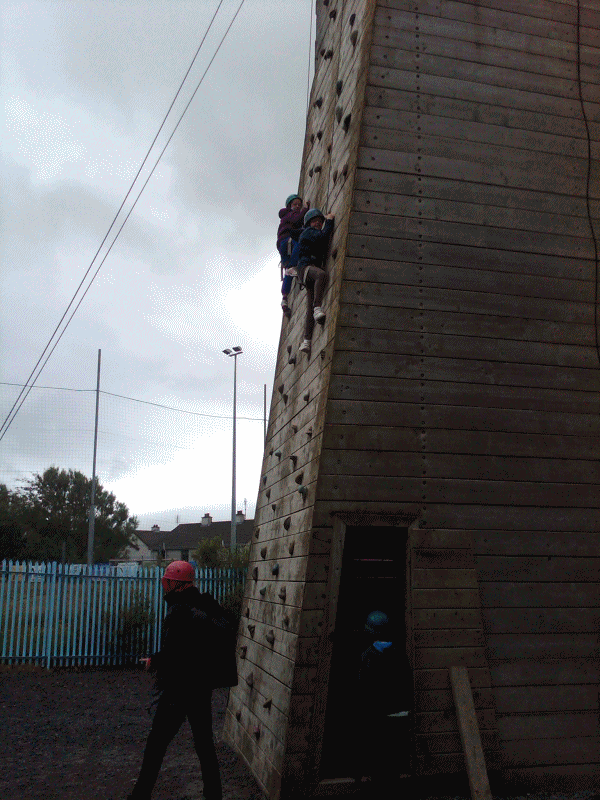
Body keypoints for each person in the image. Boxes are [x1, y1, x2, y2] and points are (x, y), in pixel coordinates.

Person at [126, 560, 238, 800]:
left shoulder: (180, 611)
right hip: (201, 689)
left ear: (176, 583)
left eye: (167, 581)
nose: (164, 585)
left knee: (156, 746)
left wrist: (153, 662)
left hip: (178, 691)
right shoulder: (207, 606)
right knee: (205, 748)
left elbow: (174, 655)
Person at [353, 610, 413, 791]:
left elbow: (362, 689)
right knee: (394, 759)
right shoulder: (400, 654)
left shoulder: (367, 656)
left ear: (371, 632)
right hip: (400, 714)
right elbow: (407, 683)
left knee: (376, 758)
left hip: (377, 716)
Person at [295, 208, 334, 354]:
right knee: (321, 275)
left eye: (320, 221)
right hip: (306, 268)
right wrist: (329, 221)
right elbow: (323, 237)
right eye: (314, 221)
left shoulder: (313, 232)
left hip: (309, 270)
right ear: (309, 223)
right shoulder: (308, 232)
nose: (317, 223)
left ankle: (307, 341)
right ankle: (318, 307)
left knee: (308, 309)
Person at [277, 194, 309, 313]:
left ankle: (284, 299)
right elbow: (298, 219)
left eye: (299, 205)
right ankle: (291, 267)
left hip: (282, 245)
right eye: (295, 204)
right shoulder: (289, 215)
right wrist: (305, 208)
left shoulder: (285, 217)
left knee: (289, 272)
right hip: (286, 241)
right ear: (290, 206)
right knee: (299, 245)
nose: (297, 206)